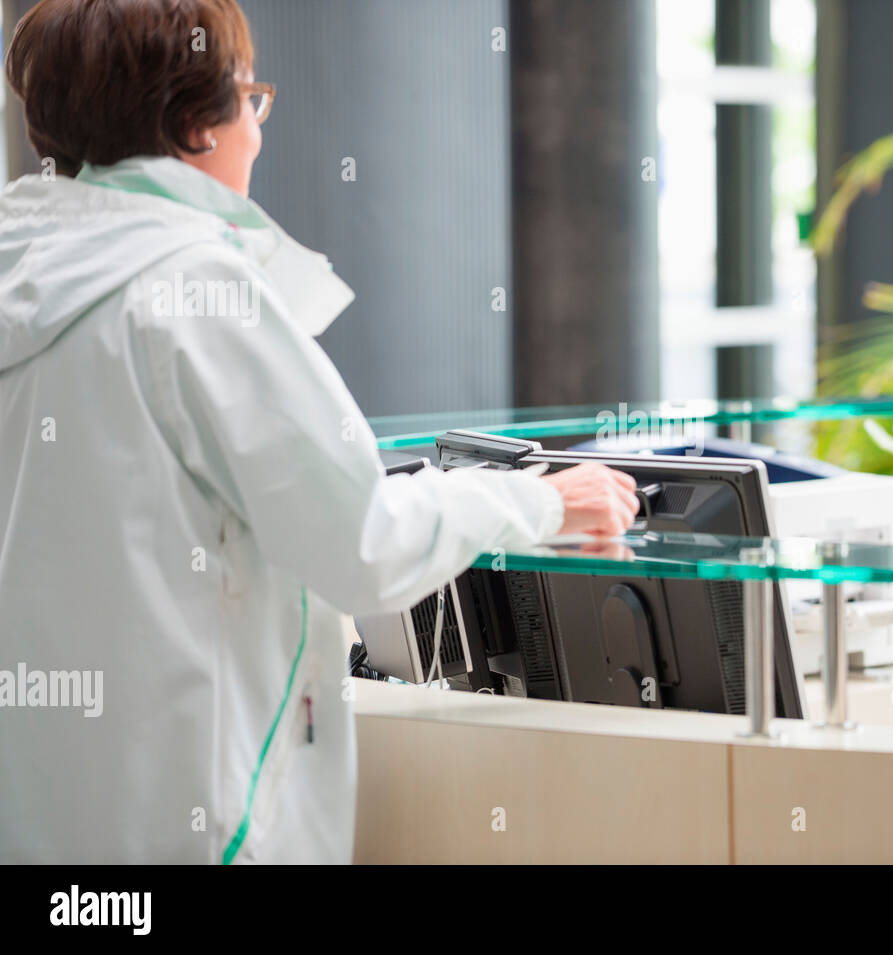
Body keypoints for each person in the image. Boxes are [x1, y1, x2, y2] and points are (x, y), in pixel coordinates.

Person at [0, 0, 637, 863]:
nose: (257, 135)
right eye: (247, 100)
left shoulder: (26, 278)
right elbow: (362, 544)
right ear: (193, 124)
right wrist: (537, 501)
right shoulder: (191, 293)